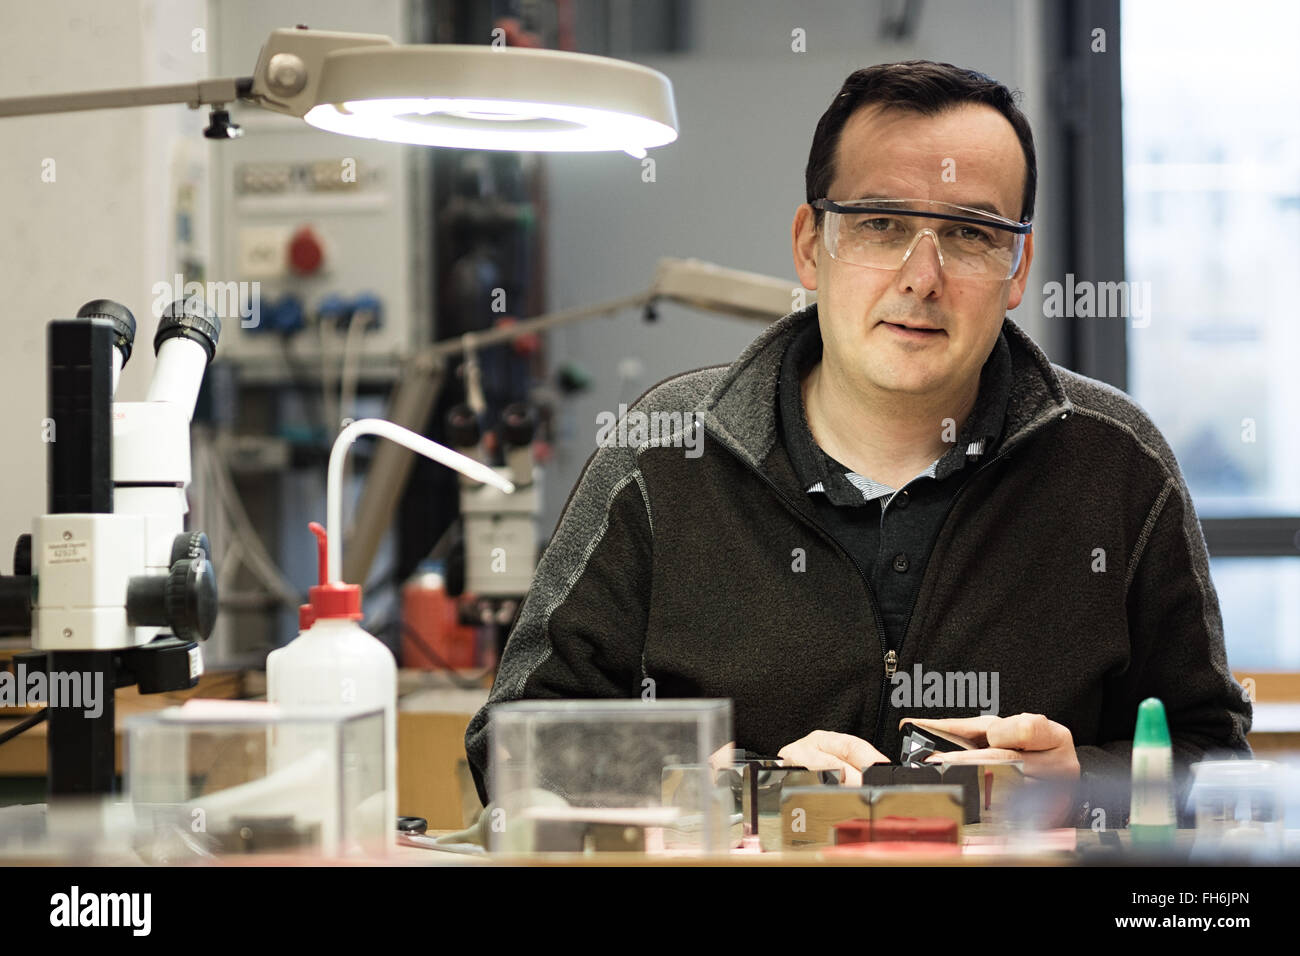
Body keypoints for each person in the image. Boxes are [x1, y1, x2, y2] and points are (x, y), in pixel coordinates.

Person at [464, 60, 1252, 826]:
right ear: (811, 245)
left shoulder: (1117, 464)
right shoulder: (663, 452)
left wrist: (1081, 783)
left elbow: (1215, 763)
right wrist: (734, 786)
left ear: (1017, 267)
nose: (922, 276)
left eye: (971, 233)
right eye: (881, 224)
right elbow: (511, 748)